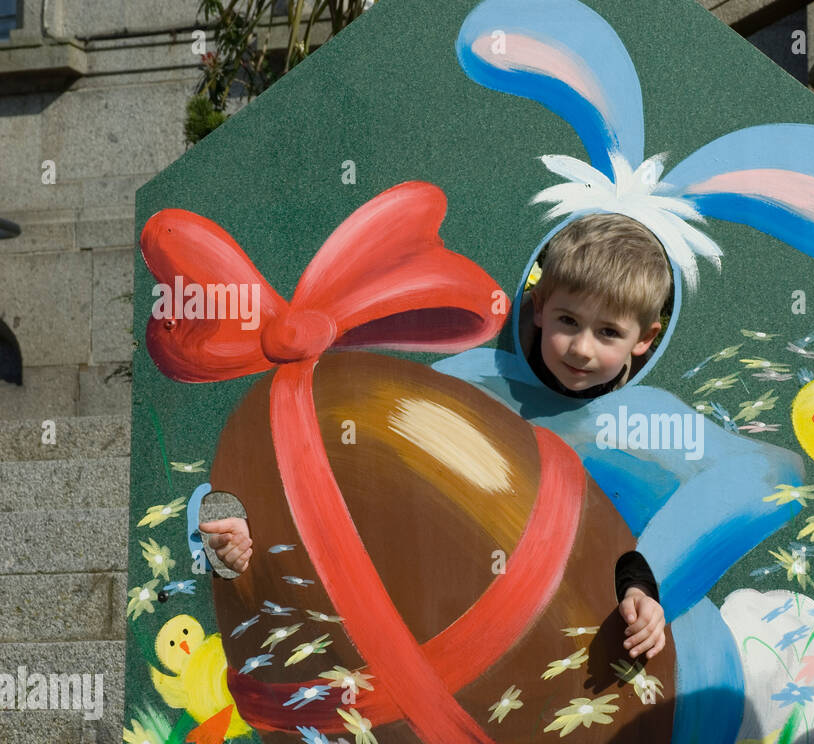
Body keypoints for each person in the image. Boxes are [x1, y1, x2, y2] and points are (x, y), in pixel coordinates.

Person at [202, 213, 672, 660]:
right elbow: (361, 461)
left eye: (609, 332)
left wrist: (641, 594)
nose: (582, 348)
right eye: (568, 321)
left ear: (645, 339)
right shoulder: (469, 382)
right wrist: (253, 534)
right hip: (438, 607)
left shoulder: (645, 430)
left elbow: (628, 540)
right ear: (539, 308)